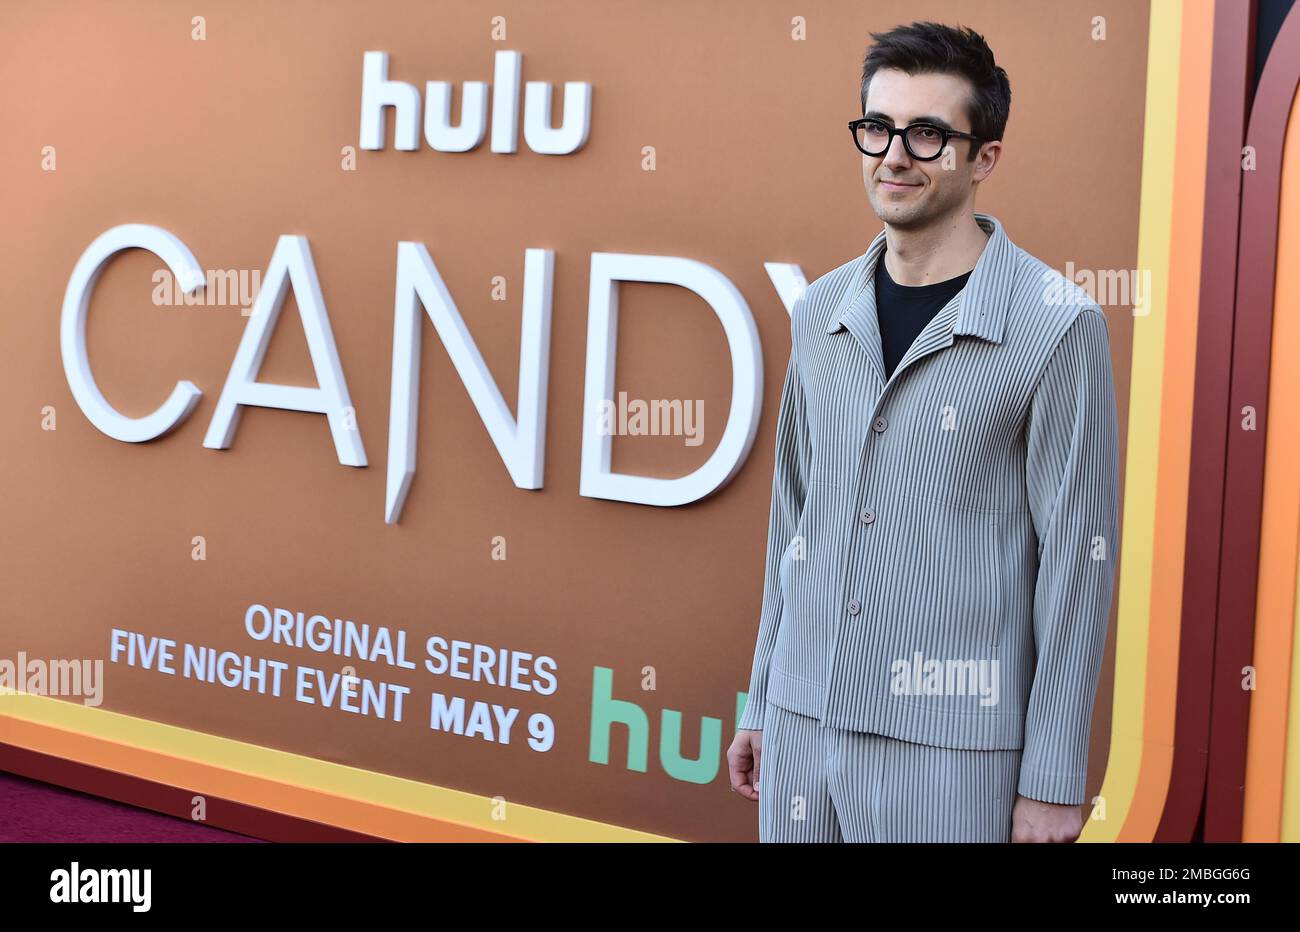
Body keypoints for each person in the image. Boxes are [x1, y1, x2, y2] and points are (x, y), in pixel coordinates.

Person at [727, 20, 1121, 843]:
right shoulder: (818, 312)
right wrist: (763, 698)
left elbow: (1077, 568)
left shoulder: (1056, 327)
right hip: (803, 731)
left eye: (928, 134)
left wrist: (1052, 778)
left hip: (953, 758)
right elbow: (792, 527)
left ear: (985, 157)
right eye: (878, 127)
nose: (894, 155)